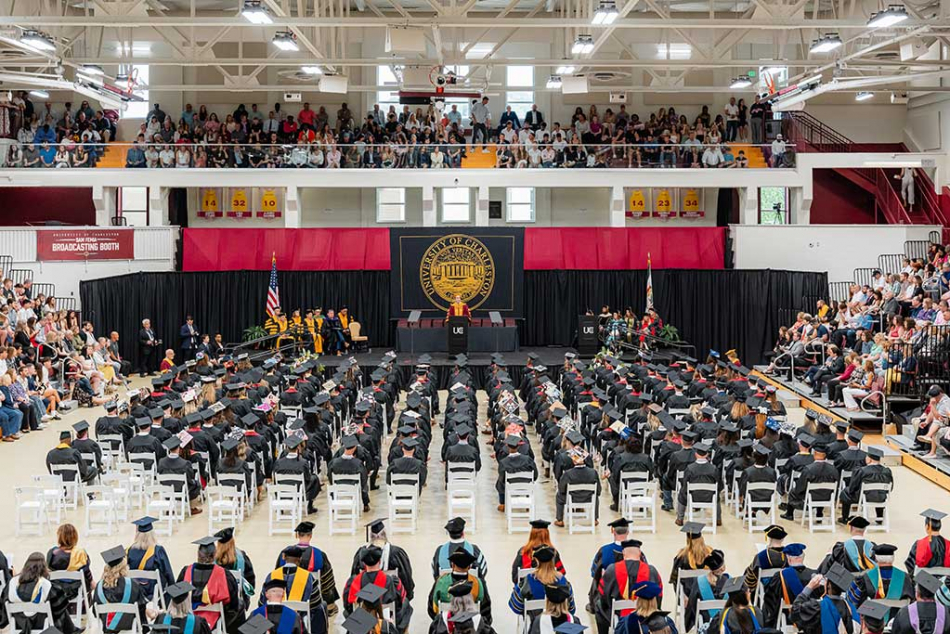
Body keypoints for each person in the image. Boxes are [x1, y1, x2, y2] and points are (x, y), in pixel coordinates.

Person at [275, 520, 341, 632]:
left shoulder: (285, 554)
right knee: (324, 604)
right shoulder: (319, 555)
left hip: (284, 600)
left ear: (297, 535)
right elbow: (326, 582)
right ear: (311, 535)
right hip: (310, 600)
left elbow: (276, 579)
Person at [596, 539, 663, 634]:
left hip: (619, 613)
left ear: (623, 553)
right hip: (646, 611)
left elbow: (603, 594)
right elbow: (659, 595)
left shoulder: (612, 569)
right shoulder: (651, 570)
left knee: (598, 605)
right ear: (639, 553)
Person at [176, 536, 241, 634]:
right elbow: (233, 605)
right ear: (215, 555)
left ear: (198, 554)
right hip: (216, 620)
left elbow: (177, 596)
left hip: (189, 618)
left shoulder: (186, 572)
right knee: (239, 605)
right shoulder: (224, 575)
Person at [9, 551, 78, 634]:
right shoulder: (46, 584)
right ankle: (72, 630)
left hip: (18, 623)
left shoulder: (12, 582)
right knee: (59, 608)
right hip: (42, 625)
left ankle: (72, 629)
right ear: (43, 568)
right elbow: (59, 608)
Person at [350, 518, 415, 602]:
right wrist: (407, 596)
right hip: (389, 599)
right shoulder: (397, 553)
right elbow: (407, 580)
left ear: (370, 536)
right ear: (385, 534)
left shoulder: (362, 554)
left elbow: (353, 578)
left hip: (365, 601)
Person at [93, 546, 149, 634]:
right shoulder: (132, 584)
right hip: (129, 626)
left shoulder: (99, 587)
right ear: (124, 567)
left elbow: (95, 612)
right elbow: (141, 608)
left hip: (108, 628)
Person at [789, 564, 855, 634]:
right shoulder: (850, 607)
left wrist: (809, 587)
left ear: (828, 585)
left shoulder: (819, 607)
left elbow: (795, 612)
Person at [126, 516, 176, 600]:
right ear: (152, 534)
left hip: (134, 593)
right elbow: (168, 574)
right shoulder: (157, 551)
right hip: (153, 593)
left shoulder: (129, 551)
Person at [432, 517, 489, 581]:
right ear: (463, 533)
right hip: (471, 589)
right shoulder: (474, 550)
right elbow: (483, 572)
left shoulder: (440, 551)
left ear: (449, 534)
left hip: (446, 589)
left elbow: (436, 574)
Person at [555, 447, 599, 527]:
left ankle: (560, 520)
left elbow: (561, 488)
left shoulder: (568, 474)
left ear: (573, 461)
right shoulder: (593, 472)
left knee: (559, 496)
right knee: (595, 496)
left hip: (572, 498)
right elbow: (598, 490)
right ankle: (595, 518)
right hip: (588, 498)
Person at [215, 527, 257, 610]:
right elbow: (250, 581)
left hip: (217, 603)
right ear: (232, 542)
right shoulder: (242, 558)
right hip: (238, 604)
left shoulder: (213, 560)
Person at [906, 509, 950, 578]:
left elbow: (910, 565)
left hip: (923, 585)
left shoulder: (919, 544)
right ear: (940, 527)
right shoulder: (948, 545)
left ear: (927, 526)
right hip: (944, 586)